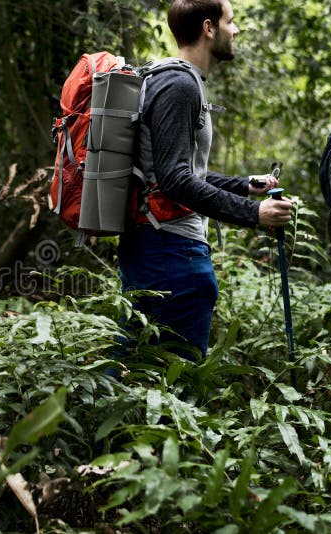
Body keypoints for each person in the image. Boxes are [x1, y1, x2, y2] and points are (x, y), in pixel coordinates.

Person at [117, 0, 293, 358]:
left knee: (132, 366)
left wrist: (244, 185)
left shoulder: (166, 77)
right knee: (175, 381)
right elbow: (175, 179)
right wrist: (252, 213)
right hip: (172, 252)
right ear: (208, 28)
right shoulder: (180, 86)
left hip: (151, 246)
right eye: (231, 21)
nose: (237, 30)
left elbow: (174, 167)